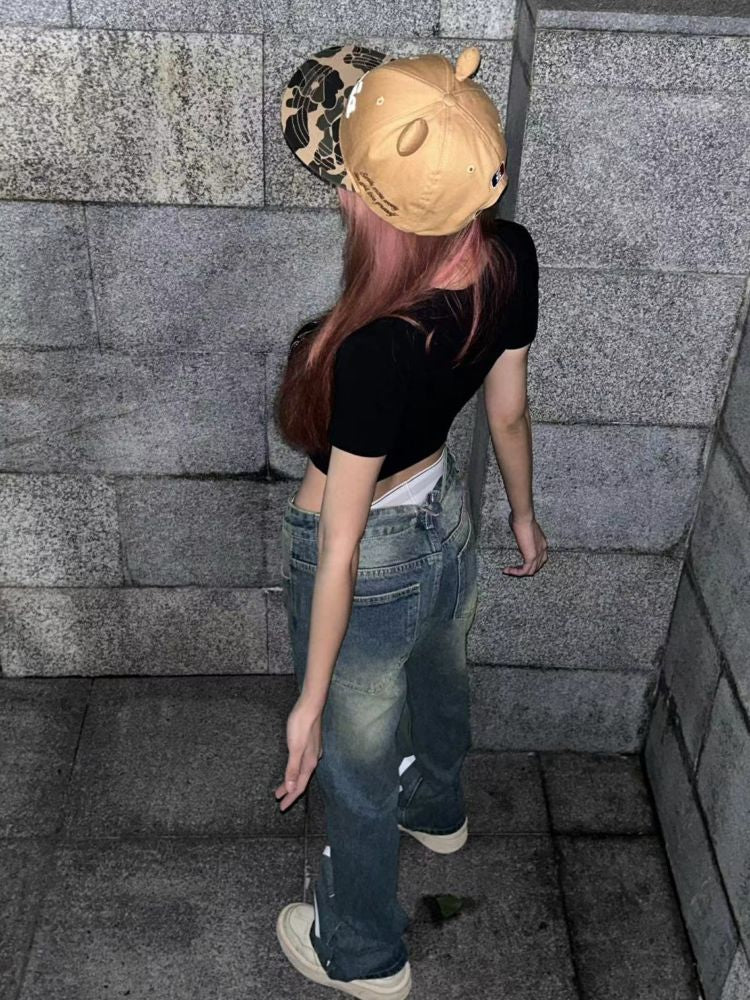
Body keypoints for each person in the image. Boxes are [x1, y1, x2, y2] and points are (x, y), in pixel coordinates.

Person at [272, 42, 549, 999]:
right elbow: (507, 413)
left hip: (370, 557)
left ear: (371, 204)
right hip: (448, 519)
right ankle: (436, 808)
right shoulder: (511, 255)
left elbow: (341, 544)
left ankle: (363, 953)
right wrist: (523, 514)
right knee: (440, 674)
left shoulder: (375, 350)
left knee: (352, 767)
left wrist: (309, 704)